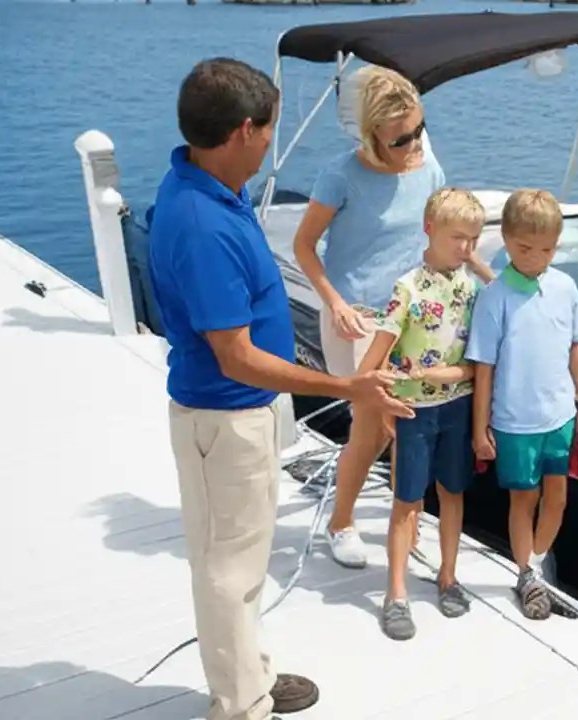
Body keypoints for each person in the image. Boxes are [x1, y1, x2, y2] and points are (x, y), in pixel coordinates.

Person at [148, 57, 414, 720]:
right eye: (269, 131)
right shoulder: (201, 224)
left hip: (245, 416)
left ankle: (253, 676)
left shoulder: (213, 189)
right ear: (243, 131)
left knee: (244, 564)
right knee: (228, 575)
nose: (272, 143)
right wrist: (347, 385)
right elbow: (235, 357)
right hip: (224, 419)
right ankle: (242, 706)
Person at [292, 64, 488, 569]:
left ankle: (408, 515)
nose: (414, 144)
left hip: (417, 315)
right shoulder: (340, 176)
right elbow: (304, 246)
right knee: (376, 425)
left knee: (415, 417)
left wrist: (493, 283)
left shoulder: (428, 167)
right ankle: (341, 522)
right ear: (371, 133)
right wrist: (333, 303)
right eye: (401, 139)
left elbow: (444, 235)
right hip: (355, 316)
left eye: (419, 130)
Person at [355, 187, 487, 639]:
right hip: (417, 409)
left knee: (453, 492)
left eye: (473, 239)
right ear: (429, 229)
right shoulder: (407, 288)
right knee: (406, 501)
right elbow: (376, 356)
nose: (465, 248)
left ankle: (448, 576)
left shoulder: (471, 289)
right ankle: (395, 592)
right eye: (457, 238)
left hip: (458, 406)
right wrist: (382, 399)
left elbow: (480, 355)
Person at [465, 189, 578, 621]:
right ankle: (526, 571)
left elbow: (577, 347)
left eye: (547, 249)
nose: (536, 257)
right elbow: (483, 367)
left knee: (556, 499)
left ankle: (535, 564)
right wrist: (480, 430)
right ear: (505, 240)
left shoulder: (565, 286)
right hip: (514, 422)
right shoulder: (495, 297)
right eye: (525, 248)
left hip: (559, 415)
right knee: (525, 498)